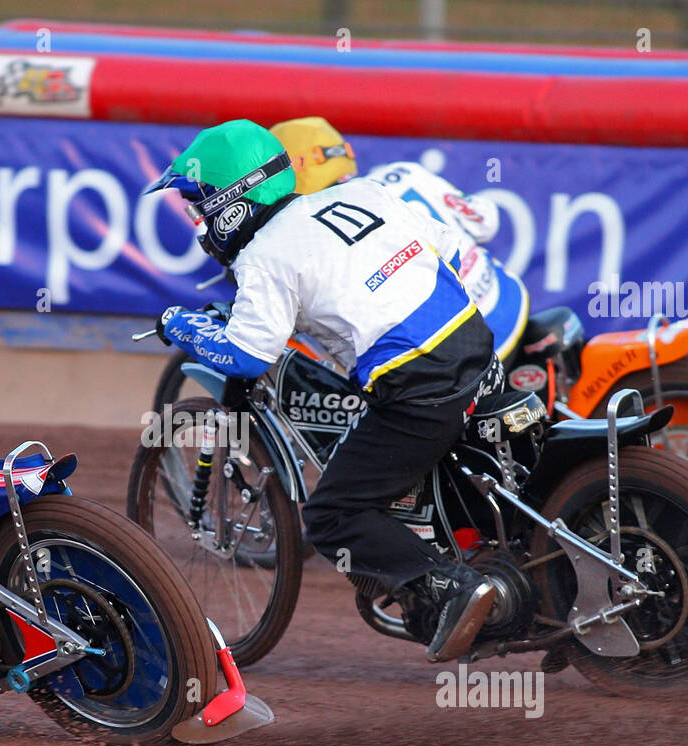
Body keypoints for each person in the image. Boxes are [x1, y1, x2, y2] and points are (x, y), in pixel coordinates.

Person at [147, 119, 503, 662]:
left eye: (201, 205)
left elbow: (246, 355)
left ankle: (448, 588)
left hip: (419, 388)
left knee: (333, 515)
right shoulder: (362, 193)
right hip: (478, 348)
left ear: (232, 199)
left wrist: (181, 325)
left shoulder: (263, 255)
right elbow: (449, 252)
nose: (200, 221)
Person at [269, 116, 530, 364]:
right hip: (511, 300)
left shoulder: (316, 234)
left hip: (460, 346)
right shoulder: (405, 171)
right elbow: (487, 222)